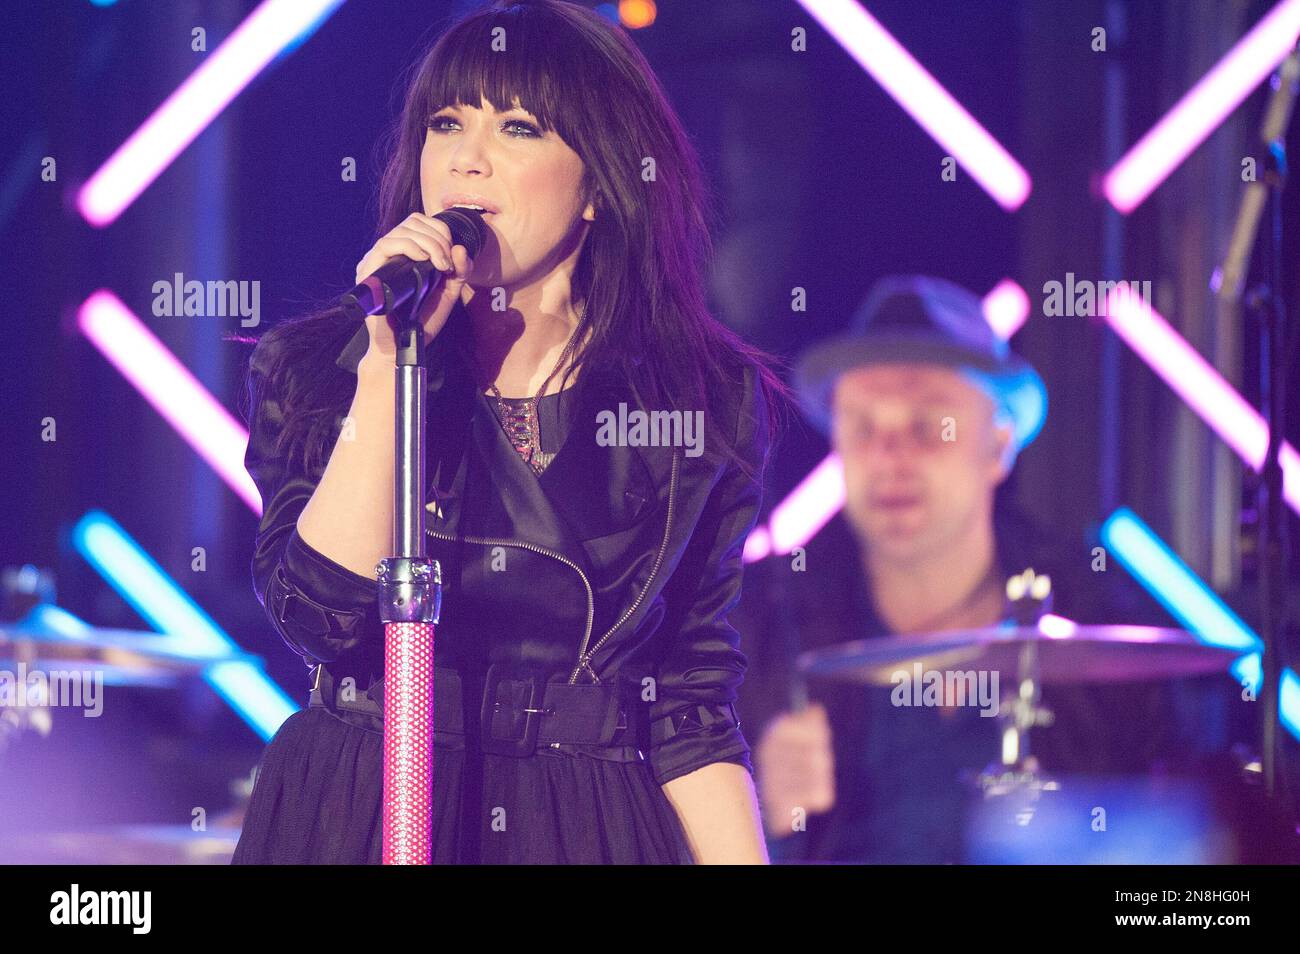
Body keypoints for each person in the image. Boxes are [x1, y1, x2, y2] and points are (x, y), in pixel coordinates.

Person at [231, 0, 790, 865]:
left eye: (518, 127)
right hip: (362, 804)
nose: (467, 157)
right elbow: (319, 613)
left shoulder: (700, 400)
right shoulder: (319, 370)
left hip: (583, 821)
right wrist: (388, 367)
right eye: (445, 123)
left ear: (600, 182)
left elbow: (690, 707)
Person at [734, 275, 1197, 864]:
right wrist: (756, 813)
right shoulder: (759, 628)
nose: (890, 456)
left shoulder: (1098, 614)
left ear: (999, 444)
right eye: (864, 427)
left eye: (929, 425)